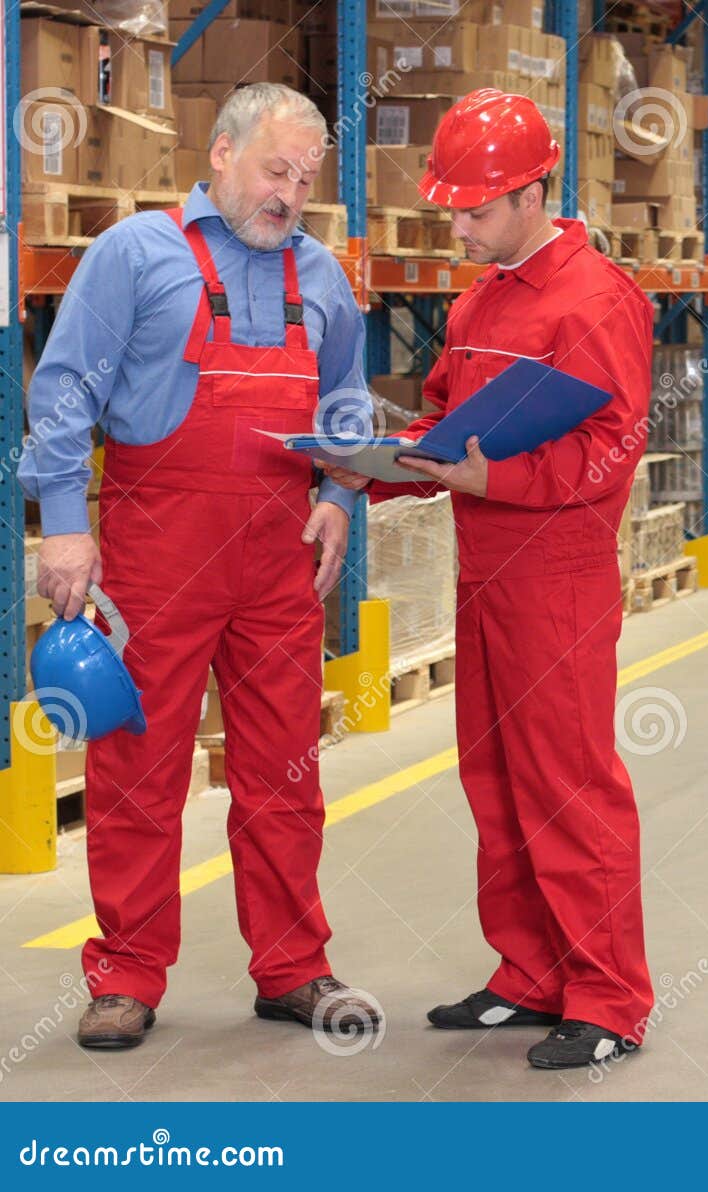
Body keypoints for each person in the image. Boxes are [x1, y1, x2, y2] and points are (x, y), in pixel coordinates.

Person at [21, 83, 380, 1050]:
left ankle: (293, 967)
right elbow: (62, 394)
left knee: (285, 770)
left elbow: (348, 403)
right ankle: (129, 972)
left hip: (279, 562)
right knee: (140, 765)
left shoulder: (323, 276)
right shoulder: (135, 256)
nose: (289, 196)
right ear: (219, 154)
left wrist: (339, 497)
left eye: (305, 180)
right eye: (275, 171)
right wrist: (64, 524)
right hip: (158, 552)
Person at [327, 88, 655, 1070]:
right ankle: (530, 972)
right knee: (497, 776)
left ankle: (607, 995)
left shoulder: (598, 299)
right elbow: (442, 428)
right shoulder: (476, 301)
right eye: (454, 210)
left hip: (556, 569)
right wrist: (371, 468)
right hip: (485, 564)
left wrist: (496, 475)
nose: (459, 226)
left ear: (534, 193)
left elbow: (613, 449)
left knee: (569, 783)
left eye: (476, 210)